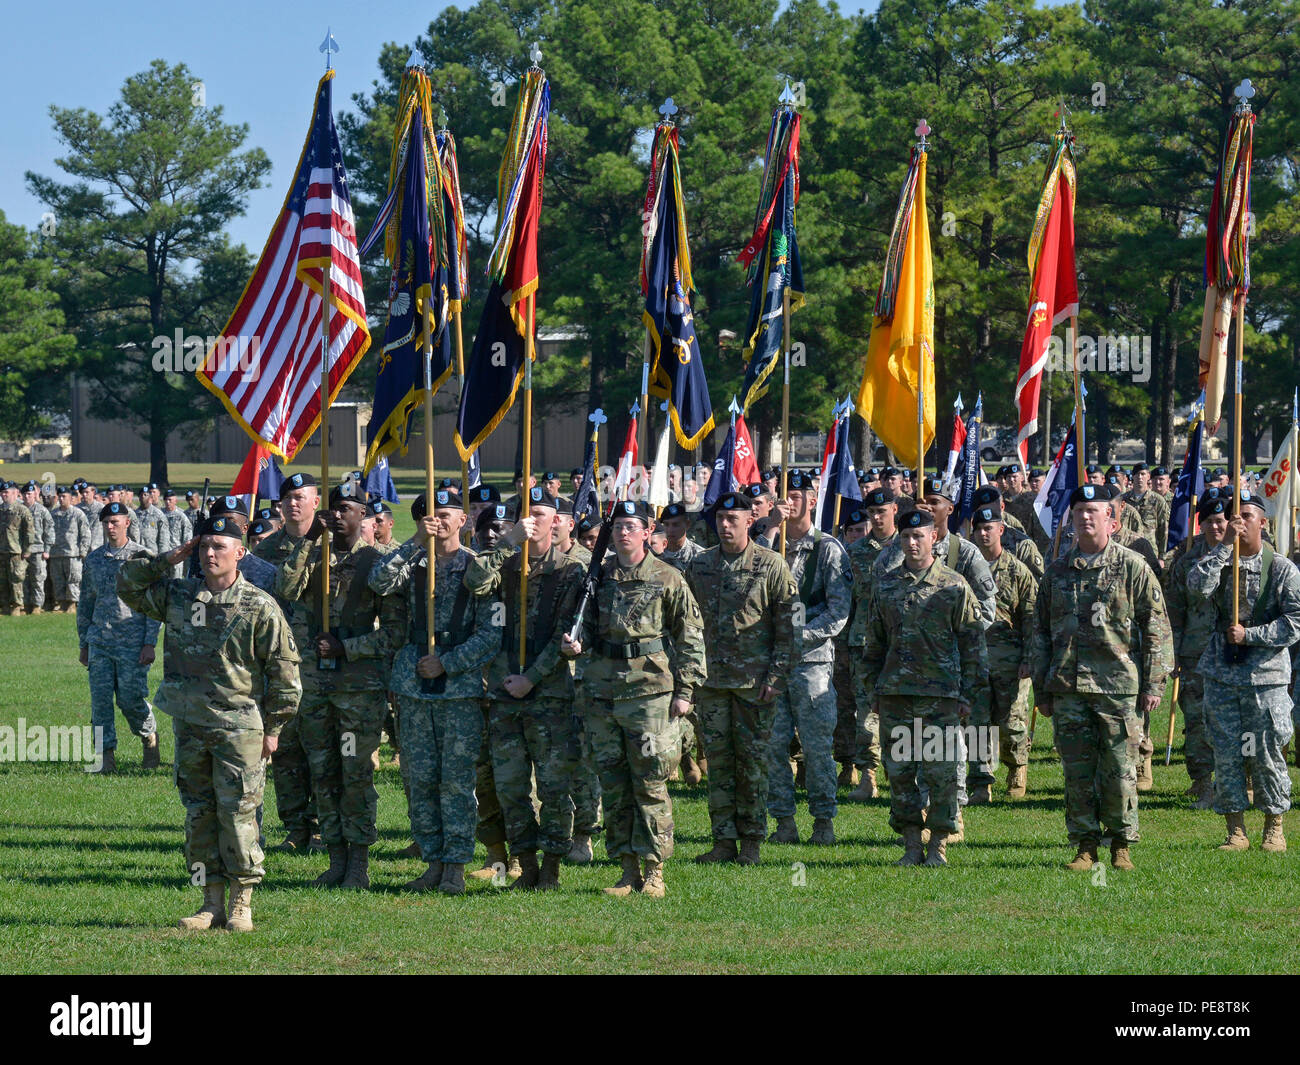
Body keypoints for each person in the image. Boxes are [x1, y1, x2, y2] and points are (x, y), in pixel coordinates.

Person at [117, 514, 301, 931]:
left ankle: (241, 902)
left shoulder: (259, 605)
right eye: (204, 547)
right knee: (199, 815)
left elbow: (285, 673)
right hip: (191, 724)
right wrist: (169, 558)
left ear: (240, 553)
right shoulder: (180, 596)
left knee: (238, 815)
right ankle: (209, 902)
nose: (210, 554)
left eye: (219, 546)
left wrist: (274, 729)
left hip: (240, 727)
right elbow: (126, 584)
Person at [562, 500, 706, 896]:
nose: (624, 533)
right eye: (619, 527)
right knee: (614, 783)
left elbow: (690, 636)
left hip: (649, 694)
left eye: (631, 526)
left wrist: (686, 691)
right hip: (603, 692)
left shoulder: (666, 576)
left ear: (647, 532)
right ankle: (627, 869)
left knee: (650, 781)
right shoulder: (598, 576)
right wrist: (574, 644)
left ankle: (655, 869)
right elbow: (583, 626)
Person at [1031, 484, 1172, 871]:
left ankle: (1120, 844)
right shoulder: (1057, 572)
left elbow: (1156, 626)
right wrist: (1042, 688)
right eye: (1079, 511)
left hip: (1117, 686)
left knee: (1119, 770)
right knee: (1077, 772)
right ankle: (1085, 845)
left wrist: (1154, 683)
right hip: (1068, 686)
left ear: (1112, 521)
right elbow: (1040, 632)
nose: (1085, 517)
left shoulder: (1132, 566)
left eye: (1093, 511)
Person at [368, 489, 498, 894]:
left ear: (463, 520)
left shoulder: (477, 568)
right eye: (431, 514)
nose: (438, 520)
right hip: (414, 687)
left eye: (446, 514)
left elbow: (492, 633)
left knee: (455, 781)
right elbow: (379, 581)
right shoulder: (414, 563)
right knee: (420, 779)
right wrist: (413, 541)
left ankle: (456, 865)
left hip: (458, 689)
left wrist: (449, 662)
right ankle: (432, 861)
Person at [276, 485, 403, 890]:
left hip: (358, 689)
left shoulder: (377, 563)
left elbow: (394, 632)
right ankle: (335, 858)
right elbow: (286, 589)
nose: (338, 515)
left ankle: (359, 863)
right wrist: (311, 539)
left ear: (363, 514)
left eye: (347, 509)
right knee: (323, 772)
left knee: (355, 773)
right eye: (333, 508)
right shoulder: (315, 557)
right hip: (315, 686)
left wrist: (347, 647)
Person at [464, 487, 585, 890]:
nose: (531, 522)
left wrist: (531, 678)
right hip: (503, 694)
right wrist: (507, 544)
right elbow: (474, 582)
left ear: (556, 522)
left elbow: (565, 635)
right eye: (524, 516)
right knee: (511, 787)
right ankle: (525, 863)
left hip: (548, 695)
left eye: (539, 515)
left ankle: (552, 866)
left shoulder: (570, 572)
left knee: (553, 787)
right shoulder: (505, 566)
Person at [861, 508, 985, 866]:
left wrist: (967, 694)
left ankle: (939, 845)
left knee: (941, 773)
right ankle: (912, 844)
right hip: (896, 695)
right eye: (906, 537)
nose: (912, 543)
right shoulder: (886, 585)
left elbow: (973, 644)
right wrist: (873, 691)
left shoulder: (953, 585)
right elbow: (873, 644)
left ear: (933, 537)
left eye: (919, 536)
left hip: (940, 697)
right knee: (900, 773)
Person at [684, 492, 797, 866]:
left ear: (751, 521)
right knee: (719, 764)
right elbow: (685, 622)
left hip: (754, 684)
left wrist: (777, 676)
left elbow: (789, 626)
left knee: (752, 765)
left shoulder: (771, 564)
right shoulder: (700, 565)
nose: (725, 524)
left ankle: (751, 841)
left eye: (733, 518)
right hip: (712, 682)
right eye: (720, 518)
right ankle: (723, 841)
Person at [1187, 489, 1300, 852]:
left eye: (1247, 515)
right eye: (1234, 516)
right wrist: (1224, 546)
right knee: (1227, 753)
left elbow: (1295, 622)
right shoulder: (1222, 561)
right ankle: (1235, 829)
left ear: (1262, 522)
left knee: (1267, 752)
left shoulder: (1280, 568)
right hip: (1222, 675)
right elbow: (1196, 588)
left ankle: (1273, 826)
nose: (1239, 521)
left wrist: (1251, 635)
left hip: (1265, 678)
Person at [764, 469, 851, 845]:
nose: (791, 500)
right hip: (771, 663)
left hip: (811, 662)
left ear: (813, 501)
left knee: (816, 746)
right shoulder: (769, 543)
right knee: (773, 744)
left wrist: (799, 636)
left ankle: (823, 820)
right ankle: (783, 820)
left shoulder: (827, 549)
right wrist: (770, 529)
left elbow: (839, 611)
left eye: (799, 495)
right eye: (785, 495)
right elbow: (748, 579)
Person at [252, 472, 321, 853]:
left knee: (322, 747)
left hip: (322, 660)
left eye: (301, 497)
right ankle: (296, 828)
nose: (293, 504)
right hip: (280, 661)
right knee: (286, 748)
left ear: (316, 501)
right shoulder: (266, 550)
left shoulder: (333, 543)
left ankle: (323, 825)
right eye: (288, 498)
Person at [77, 501, 161, 773]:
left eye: (115, 522)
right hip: (100, 641)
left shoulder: (142, 558)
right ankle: (105, 757)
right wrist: (84, 643)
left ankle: (149, 736)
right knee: (100, 703)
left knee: (130, 699)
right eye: (106, 523)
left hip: (132, 643)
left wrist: (149, 642)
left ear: (127, 523)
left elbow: (154, 604)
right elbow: (86, 603)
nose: (110, 527)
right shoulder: (94, 559)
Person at [967, 503, 1037, 799]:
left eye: (989, 529)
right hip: (974, 659)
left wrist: (1030, 658)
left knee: (1010, 722)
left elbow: (1032, 618)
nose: (983, 534)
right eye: (979, 529)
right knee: (976, 720)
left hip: (1010, 660)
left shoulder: (1017, 570)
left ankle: (1017, 765)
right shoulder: (966, 568)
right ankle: (980, 780)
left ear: (1001, 530)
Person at [1163, 492, 1227, 806]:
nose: (1216, 527)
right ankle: (1202, 781)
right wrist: (1172, 653)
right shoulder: (1187, 561)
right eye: (1210, 521)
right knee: (1196, 719)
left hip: (1232, 654)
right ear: (1200, 525)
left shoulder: (1244, 556)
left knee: (1231, 719)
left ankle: (1240, 780)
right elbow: (1174, 611)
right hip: (1195, 653)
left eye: (1221, 520)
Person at [844, 487, 899, 800]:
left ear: (894, 510)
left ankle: (901, 773)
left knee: (901, 711)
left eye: (882, 511)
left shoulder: (908, 545)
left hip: (900, 643)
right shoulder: (855, 552)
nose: (877, 518)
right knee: (865, 713)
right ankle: (868, 776)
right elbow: (847, 600)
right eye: (872, 513)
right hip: (864, 642)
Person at [50, 485, 93, 612]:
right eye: (60, 497)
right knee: (58, 580)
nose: (61, 499)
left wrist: (83, 551)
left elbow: (85, 534)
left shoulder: (77, 514)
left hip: (73, 553)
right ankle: (61, 603)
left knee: (73, 580)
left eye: (64, 496)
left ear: (70, 498)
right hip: (56, 553)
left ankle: (72, 604)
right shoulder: (53, 514)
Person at [0, 481, 34, 615]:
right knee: (2, 581)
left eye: (6, 492)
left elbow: (29, 532)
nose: (3, 495)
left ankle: (16, 606)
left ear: (15, 493)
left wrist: (26, 550)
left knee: (16, 580)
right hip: (1, 551)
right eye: (2, 493)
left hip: (15, 552)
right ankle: (4, 606)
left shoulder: (22, 510)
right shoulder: (1, 510)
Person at [20, 482, 53, 614]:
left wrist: (47, 550)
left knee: (38, 578)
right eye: (25, 494)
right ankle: (26, 604)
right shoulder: (19, 510)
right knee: (23, 578)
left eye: (29, 494)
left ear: (35, 495)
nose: (27, 496)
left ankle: (37, 605)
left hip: (38, 550)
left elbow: (49, 531)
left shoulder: (42, 510)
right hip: (22, 550)